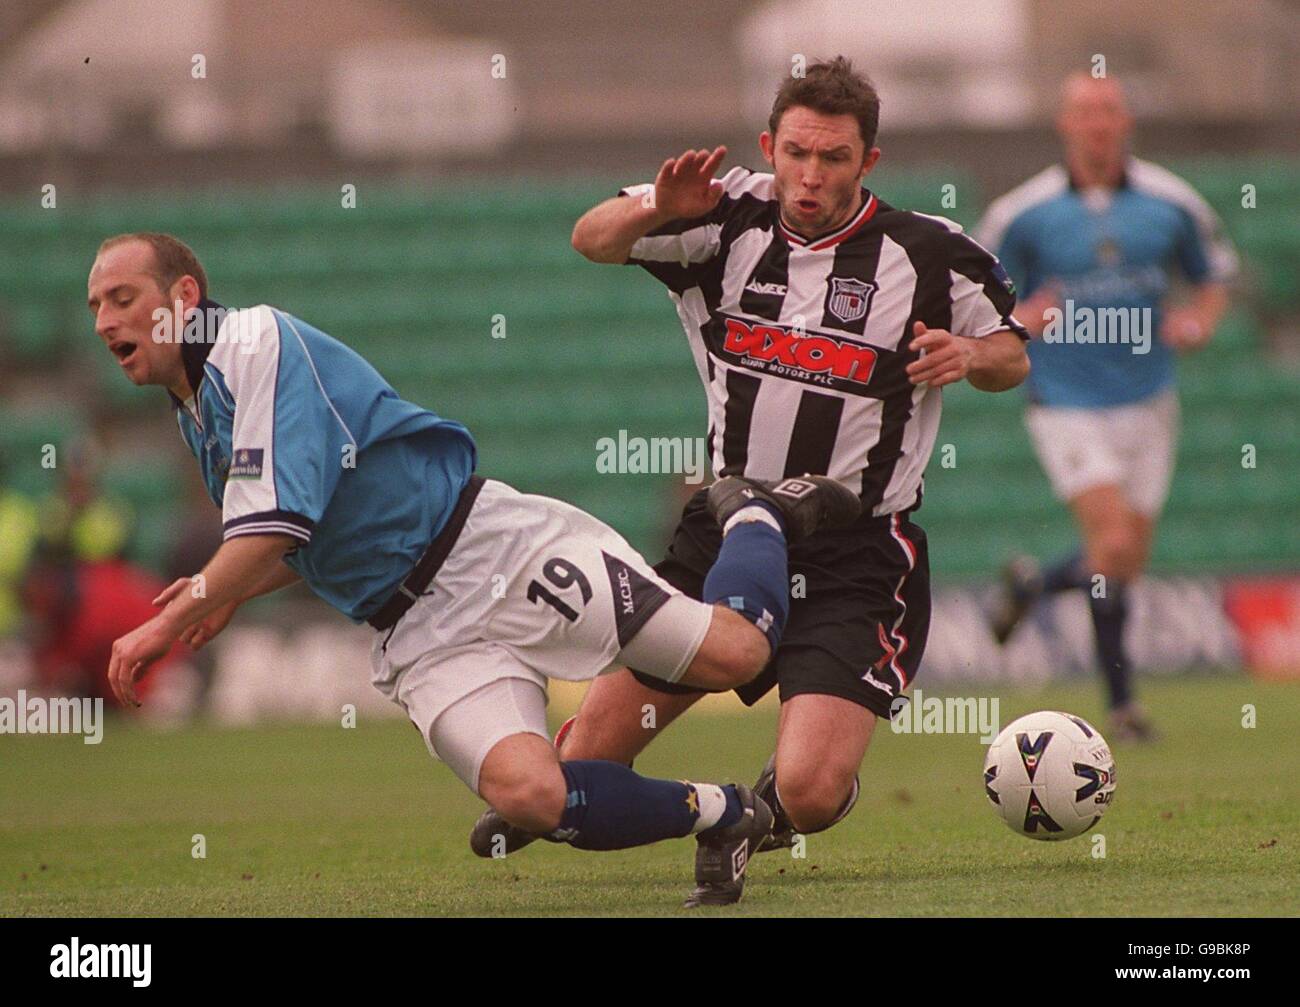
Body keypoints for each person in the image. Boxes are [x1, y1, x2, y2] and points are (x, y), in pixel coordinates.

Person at [89, 231, 863, 885]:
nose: (103, 319)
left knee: (738, 652)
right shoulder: (196, 408)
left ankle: (757, 508)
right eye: (95, 305)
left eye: (122, 297)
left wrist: (177, 613)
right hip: (419, 630)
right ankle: (729, 811)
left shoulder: (251, 344)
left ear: (184, 294)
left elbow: (275, 528)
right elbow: (305, 533)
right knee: (531, 795)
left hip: (494, 550)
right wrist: (233, 591)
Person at [471, 57, 1031, 906]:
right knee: (579, 775)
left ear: (868, 161)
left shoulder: (929, 253)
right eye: (796, 153)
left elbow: (1011, 355)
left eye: (835, 158)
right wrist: (660, 204)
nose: (810, 176)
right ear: (770, 145)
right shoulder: (723, 216)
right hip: (725, 534)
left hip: (856, 552)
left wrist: (969, 355)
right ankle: (693, 806)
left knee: (812, 789)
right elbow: (590, 238)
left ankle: (766, 807)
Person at [975, 74, 1236, 741]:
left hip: (1150, 400)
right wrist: (1020, 317)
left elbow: (1212, 277)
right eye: (1084, 112)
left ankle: (1033, 586)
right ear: (1064, 124)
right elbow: (972, 289)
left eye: (1109, 111)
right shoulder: (1023, 212)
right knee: (1112, 542)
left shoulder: (1170, 202)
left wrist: (1199, 322)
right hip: (1065, 399)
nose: (1097, 123)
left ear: (1127, 122)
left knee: (1120, 562)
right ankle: (1122, 707)